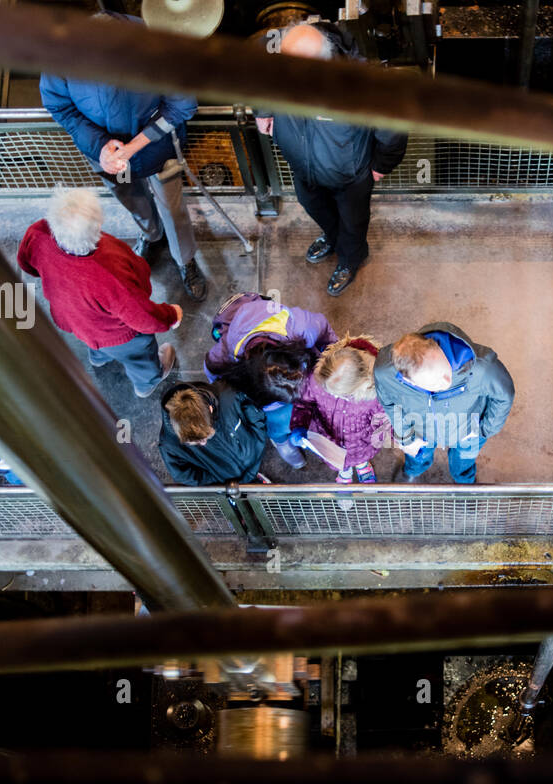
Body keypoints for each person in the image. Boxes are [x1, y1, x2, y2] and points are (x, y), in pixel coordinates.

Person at [39, 9, 207, 301]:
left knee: (172, 205)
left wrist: (133, 147)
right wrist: (101, 146)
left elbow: (182, 105)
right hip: (106, 155)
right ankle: (152, 236)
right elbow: (61, 107)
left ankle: (185, 259)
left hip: (158, 148)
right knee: (131, 198)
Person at [255, 22, 408, 297]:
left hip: (349, 175)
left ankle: (351, 258)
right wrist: (262, 110)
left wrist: (381, 166)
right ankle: (333, 237)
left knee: (353, 221)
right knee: (311, 203)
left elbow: (393, 129)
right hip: (304, 168)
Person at [17, 189, 183, 399]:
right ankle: (146, 383)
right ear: (96, 228)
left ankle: (98, 357)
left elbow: (25, 263)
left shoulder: (38, 234)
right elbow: (143, 317)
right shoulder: (110, 274)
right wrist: (170, 315)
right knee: (140, 356)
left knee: (94, 339)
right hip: (119, 335)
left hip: (76, 321)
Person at [203, 293, 337, 469]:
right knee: (276, 421)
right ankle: (281, 440)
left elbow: (326, 331)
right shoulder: (222, 358)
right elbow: (212, 373)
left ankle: (283, 438)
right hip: (266, 395)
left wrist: (335, 359)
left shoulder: (303, 327)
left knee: (282, 415)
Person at [373, 323, 514, 484]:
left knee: (464, 461)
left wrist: (484, 430)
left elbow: (504, 395)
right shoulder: (385, 374)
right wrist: (406, 436)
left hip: (467, 430)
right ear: (407, 380)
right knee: (417, 455)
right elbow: (389, 403)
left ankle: (464, 481)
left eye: (445, 370)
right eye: (435, 382)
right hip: (421, 429)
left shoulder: (481, 368)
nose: (447, 380)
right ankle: (413, 470)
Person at [290, 335, 391, 483]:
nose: (329, 394)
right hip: (328, 438)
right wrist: (299, 424)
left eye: (336, 394)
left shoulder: (375, 396)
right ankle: (344, 471)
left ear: (359, 385)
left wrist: (405, 438)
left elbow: (385, 421)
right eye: (326, 388)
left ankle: (362, 465)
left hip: (361, 441)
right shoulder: (316, 378)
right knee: (338, 461)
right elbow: (304, 403)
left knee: (360, 456)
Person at [159, 381, 268, 485]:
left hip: (254, 460)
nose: (203, 444)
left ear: (210, 409)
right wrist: (216, 477)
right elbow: (182, 475)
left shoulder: (228, 395)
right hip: (230, 480)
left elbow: (251, 408)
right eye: (196, 443)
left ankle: (253, 477)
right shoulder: (169, 444)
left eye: (206, 437)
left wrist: (259, 437)